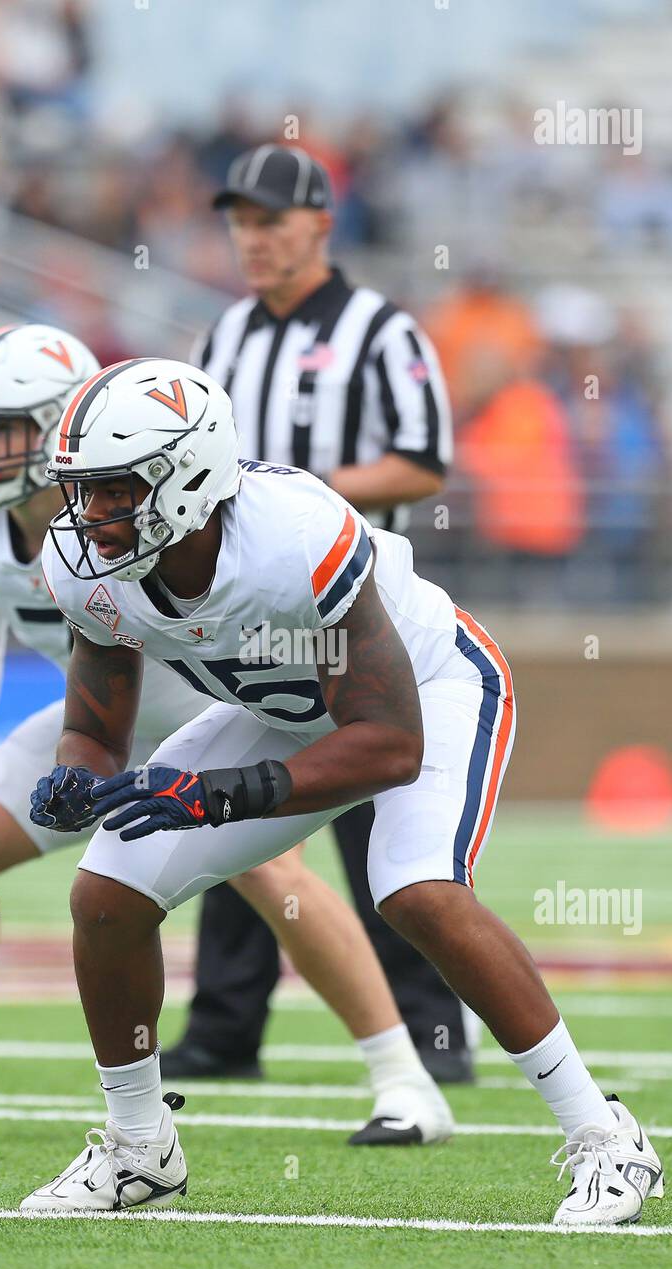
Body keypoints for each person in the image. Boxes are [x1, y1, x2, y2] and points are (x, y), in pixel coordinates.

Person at [23, 357, 664, 1227]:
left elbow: (390, 745)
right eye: (82, 489)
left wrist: (220, 793)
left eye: (114, 488)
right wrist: (78, 776)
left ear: (187, 478)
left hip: (428, 689)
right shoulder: (90, 566)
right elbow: (98, 728)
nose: (89, 514)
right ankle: (140, 1150)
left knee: (417, 891)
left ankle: (606, 1135)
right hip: (285, 710)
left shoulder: (292, 535)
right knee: (106, 895)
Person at [0, 324, 451, 1148]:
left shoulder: (152, 506)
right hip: (100, 724)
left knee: (270, 875)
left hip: (198, 707)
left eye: (3, 427)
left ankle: (402, 1077)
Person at [165, 141, 474, 1085]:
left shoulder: (382, 331)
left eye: (271, 221)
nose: (252, 240)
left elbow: (422, 462)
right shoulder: (225, 335)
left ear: (321, 225)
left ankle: (431, 1033)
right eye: (240, 223)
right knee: (240, 796)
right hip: (251, 609)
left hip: (350, 603)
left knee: (379, 812)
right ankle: (225, 1029)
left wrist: (298, 493)